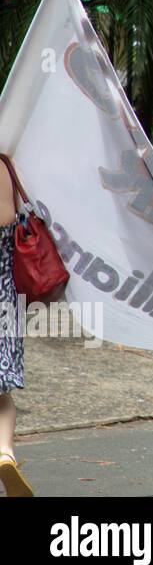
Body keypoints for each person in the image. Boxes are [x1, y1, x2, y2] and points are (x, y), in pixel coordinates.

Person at [0, 157, 33, 497]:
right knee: (2, 391)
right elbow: (9, 218)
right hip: (4, 298)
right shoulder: (6, 168)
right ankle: (5, 453)